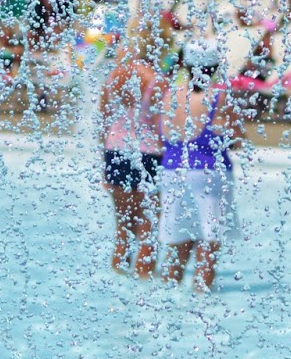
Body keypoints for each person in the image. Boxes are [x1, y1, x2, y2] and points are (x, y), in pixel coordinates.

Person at [158, 41, 241, 291]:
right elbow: (236, 137)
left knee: (179, 237)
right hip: (208, 172)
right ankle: (202, 294)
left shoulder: (171, 94)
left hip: (172, 170)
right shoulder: (218, 95)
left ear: (185, 64)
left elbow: (163, 133)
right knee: (209, 237)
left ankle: (169, 290)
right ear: (214, 66)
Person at [99, 24, 163, 276]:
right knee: (147, 224)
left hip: (114, 150)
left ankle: (119, 276)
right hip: (148, 153)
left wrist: (102, 162)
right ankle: (144, 281)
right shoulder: (155, 80)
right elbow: (163, 125)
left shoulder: (113, 77)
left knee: (123, 225)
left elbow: (103, 122)